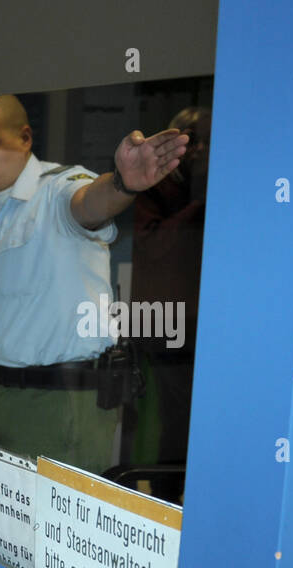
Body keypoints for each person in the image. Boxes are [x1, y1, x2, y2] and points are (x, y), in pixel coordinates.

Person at [0, 95, 189, 474]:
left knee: (50, 530)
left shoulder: (58, 189)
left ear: (24, 138)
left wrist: (122, 184)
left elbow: (88, 205)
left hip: (61, 401)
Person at [130, 107, 209, 501]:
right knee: (175, 423)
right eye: (194, 141)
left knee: (196, 420)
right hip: (163, 326)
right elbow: (153, 244)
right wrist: (199, 208)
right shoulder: (156, 188)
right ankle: (164, 498)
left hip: (201, 325)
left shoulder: (203, 188)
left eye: (207, 143)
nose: (200, 152)